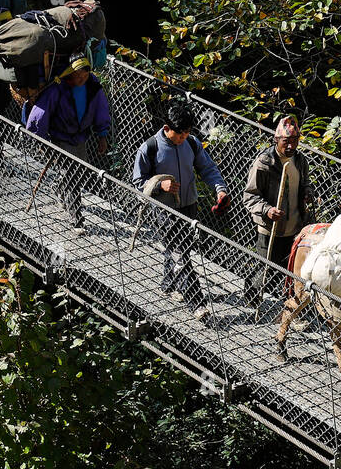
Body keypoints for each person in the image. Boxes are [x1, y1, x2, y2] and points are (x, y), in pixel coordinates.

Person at [132, 101, 231, 322]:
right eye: (179, 134)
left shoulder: (192, 144)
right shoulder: (149, 148)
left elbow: (208, 168)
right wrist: (160, 186)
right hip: (164, 210)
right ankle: (198, 304)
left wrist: (220, 190)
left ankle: (168, 285)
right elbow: (138, 182)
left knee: (179, 248)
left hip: (189, 207)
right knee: (181, 254)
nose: (183, 137)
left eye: (187, 133)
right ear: (166, 128)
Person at [24, 55, 111, 236]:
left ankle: (58, 187)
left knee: (78, 173)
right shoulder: (58, 88)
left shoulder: (93, 87)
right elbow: (40, 114)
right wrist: (37, 139)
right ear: (70, 73)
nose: (81, 79)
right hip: (60, 138)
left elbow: (101, 109)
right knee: (71, 176)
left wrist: (102, 136)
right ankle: (77, 219)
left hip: (81, 137)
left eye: (84, 75)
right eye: (77, 75)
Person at [242, 114, 315, 303]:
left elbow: (305, 183)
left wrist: (307, 193)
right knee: (265, 269)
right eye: (286, 141)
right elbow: (249, 196)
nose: (290, 146)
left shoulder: (300, 161)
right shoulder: (264, 163)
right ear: (276, 139)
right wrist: (267, 210)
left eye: (294, 141)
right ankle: (251, 303)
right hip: (270, 229)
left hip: (295, 228)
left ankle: (290, 310)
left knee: (291, 271)